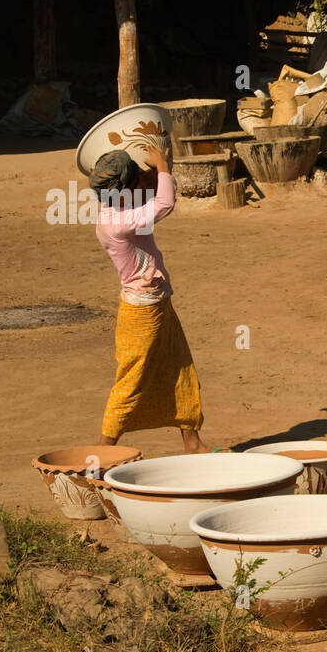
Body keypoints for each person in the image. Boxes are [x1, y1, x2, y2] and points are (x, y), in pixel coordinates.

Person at [90, 144, 209, 453]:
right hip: (142, 309)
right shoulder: (117, 221)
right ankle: (101, 453)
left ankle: (193, 443)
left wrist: (160, 166)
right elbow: (165, 204)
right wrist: (163, 167)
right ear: (125, 187)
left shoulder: (117, 207)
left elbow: (155, 192)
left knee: (178, 366)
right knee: (131, 381)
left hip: (156, 303)